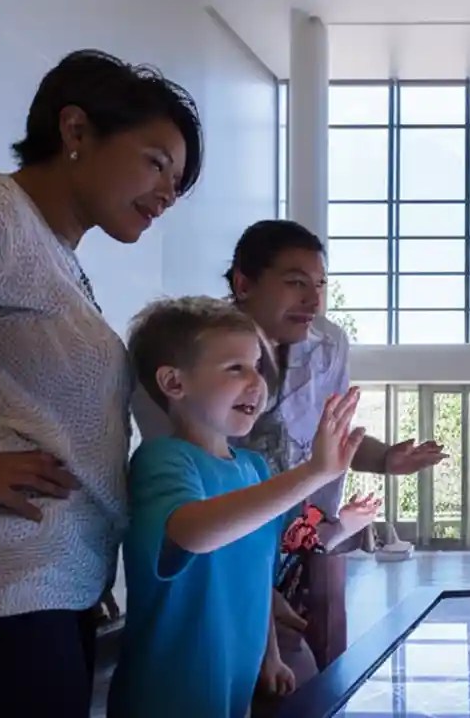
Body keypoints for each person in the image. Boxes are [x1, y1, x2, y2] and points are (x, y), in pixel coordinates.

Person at [0, 49, 202, 717]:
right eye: (156, 162)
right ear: (75, 131)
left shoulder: (60, 265)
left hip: (52, 595)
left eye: (179, 181)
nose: (167, 193)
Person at [109, 297, 373, 718]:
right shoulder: (164, 460)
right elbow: (194, 533)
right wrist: (313, 472)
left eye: (257, 367)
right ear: (174, 383)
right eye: (236, 368)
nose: (257, 382)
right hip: (167, 694)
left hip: (235, 688)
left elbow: (272, 561)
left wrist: (345, 525)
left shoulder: (254, 468)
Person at [132, 219, 446, 557]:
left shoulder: (329, 345)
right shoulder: (185, 357)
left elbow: (323, 438)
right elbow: (191, 526)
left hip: (300, 546)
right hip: (220, 546)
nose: (313, 299)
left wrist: (383, 458)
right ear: (243, 284)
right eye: (296, 283)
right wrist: (314, 473)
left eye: (320, 284)